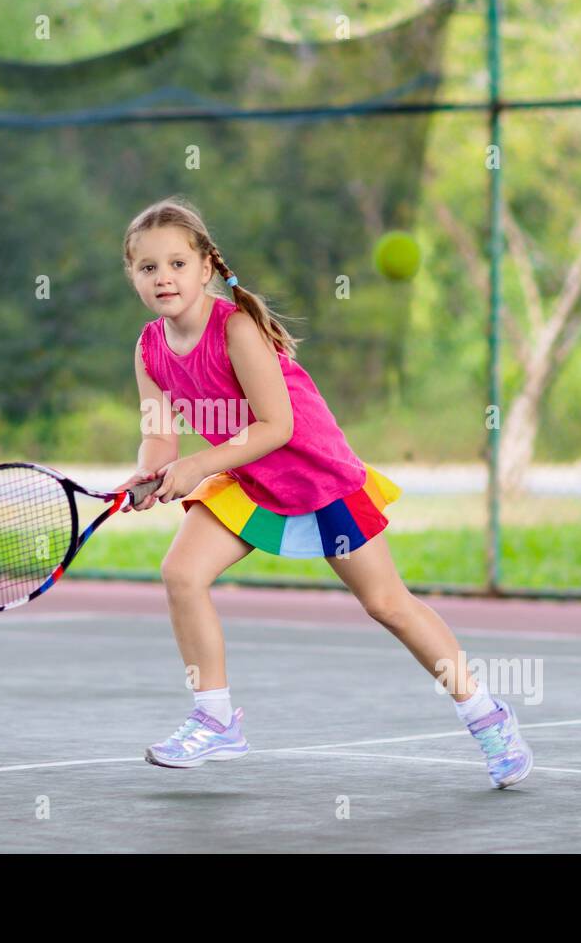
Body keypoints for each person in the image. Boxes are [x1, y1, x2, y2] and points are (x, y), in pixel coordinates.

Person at [115, 196, 532, 789]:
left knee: (388, 605)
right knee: (181, 573)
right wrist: (151, 473)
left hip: (318, 478)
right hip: (249, 480)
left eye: (178, 264)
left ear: (206, 267)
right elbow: (158, 436)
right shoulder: (148, 347)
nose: (164, 278)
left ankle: (487, 717)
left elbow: (276, 426)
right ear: (131, 274)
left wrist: (196, 467)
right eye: (148, 267)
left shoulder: (235, 328)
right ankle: (213, 717)